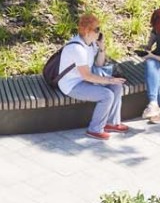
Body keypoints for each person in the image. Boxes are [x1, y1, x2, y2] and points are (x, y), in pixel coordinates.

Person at [56, 12, 133, 141]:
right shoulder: (77, 49)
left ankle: (111, 123)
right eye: (97, 29)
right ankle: (94, 130)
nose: (99, 32)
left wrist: (102, 48)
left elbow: (98, 64)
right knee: (106, 95)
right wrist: (109, 79)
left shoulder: (90, 44)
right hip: (72, 85)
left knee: (116, 86)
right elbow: (87, 76)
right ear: (87, 31)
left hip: (83, 79)